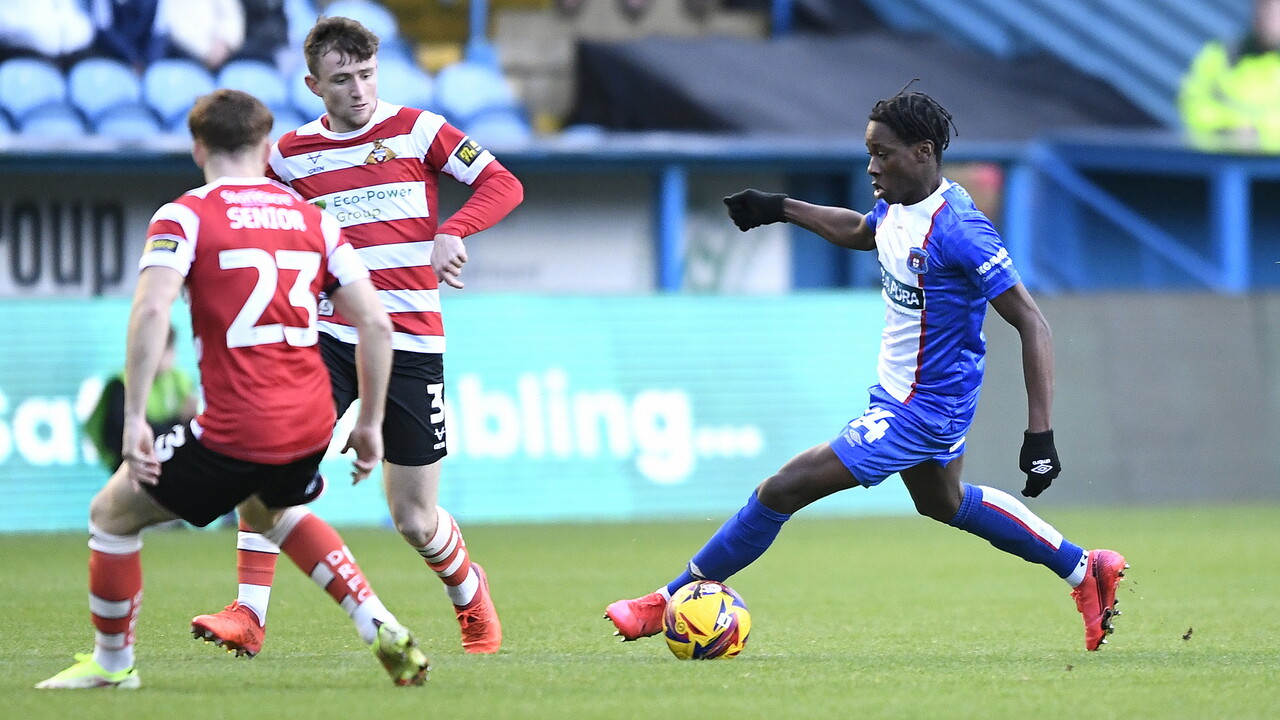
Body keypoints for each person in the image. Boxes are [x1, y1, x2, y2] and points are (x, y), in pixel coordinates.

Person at [604, 88, 1129, 653]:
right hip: (900, 396)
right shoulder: (899, 208)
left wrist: (1040, 432)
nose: (872, 166)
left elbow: (1032, 323)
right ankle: (1084, 569)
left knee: (784, 487)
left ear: (923, 153)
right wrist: (779, 207)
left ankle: (666, 601)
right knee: (943, 503)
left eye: (884, 153)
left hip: (924, 407)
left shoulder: (961, 231)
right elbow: (862, 231)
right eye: (869, 152)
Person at [36, 88, 429, 689]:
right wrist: (370, 422)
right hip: (310, 419)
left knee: (110, 516)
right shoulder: (314, 220)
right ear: (266, 145)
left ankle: (113, 665)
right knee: (270, 508)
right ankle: (378, 622)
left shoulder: (185, 215)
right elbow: (376, 323)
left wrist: (136, 414)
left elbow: (151, 312)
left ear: (197, 147)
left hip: (236, 425)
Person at [190, 16, 524, 658]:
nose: (359, 90)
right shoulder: (287, 155)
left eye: (367, 74)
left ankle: (467, 591)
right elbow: (263, 224)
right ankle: (248, 612)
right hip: (328, 336)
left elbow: (502, 184)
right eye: (342, 79)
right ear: (314, 84)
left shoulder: (418, 130)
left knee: (414, 519)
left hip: (411, 342)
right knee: (268, 467)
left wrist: (456, 230)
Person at [83, 324, 198, 473]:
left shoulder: (180, 381)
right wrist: (177, 421)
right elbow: (120, 435)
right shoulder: (123, 383)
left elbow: (195, 430)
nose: (171, 355)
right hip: (130, 469)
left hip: (169, 468)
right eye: (165, 349)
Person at [1179, 0, 1280, 153]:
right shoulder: (1221, 54)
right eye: (1264, 7)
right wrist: (1230, 128)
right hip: (1222, 164)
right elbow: (1191, 103)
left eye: (1275, 9)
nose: (1269, 16)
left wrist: (1260, 132)